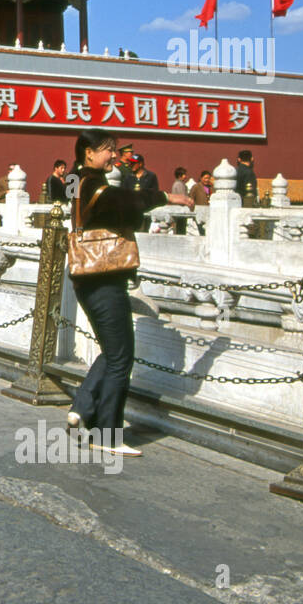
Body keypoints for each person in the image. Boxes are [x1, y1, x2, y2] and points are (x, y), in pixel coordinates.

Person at [66, 127, 193, 457]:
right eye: (108, 149)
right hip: (104, 277)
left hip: (85, 275)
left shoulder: (74, 179)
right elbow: (124, 203)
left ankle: (83, 407)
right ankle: (108, 435)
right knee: (121, 358)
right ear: (89, 153)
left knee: (112, 350)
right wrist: (164, 197)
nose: (113, 155)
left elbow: (81, 206)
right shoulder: (93, 182)